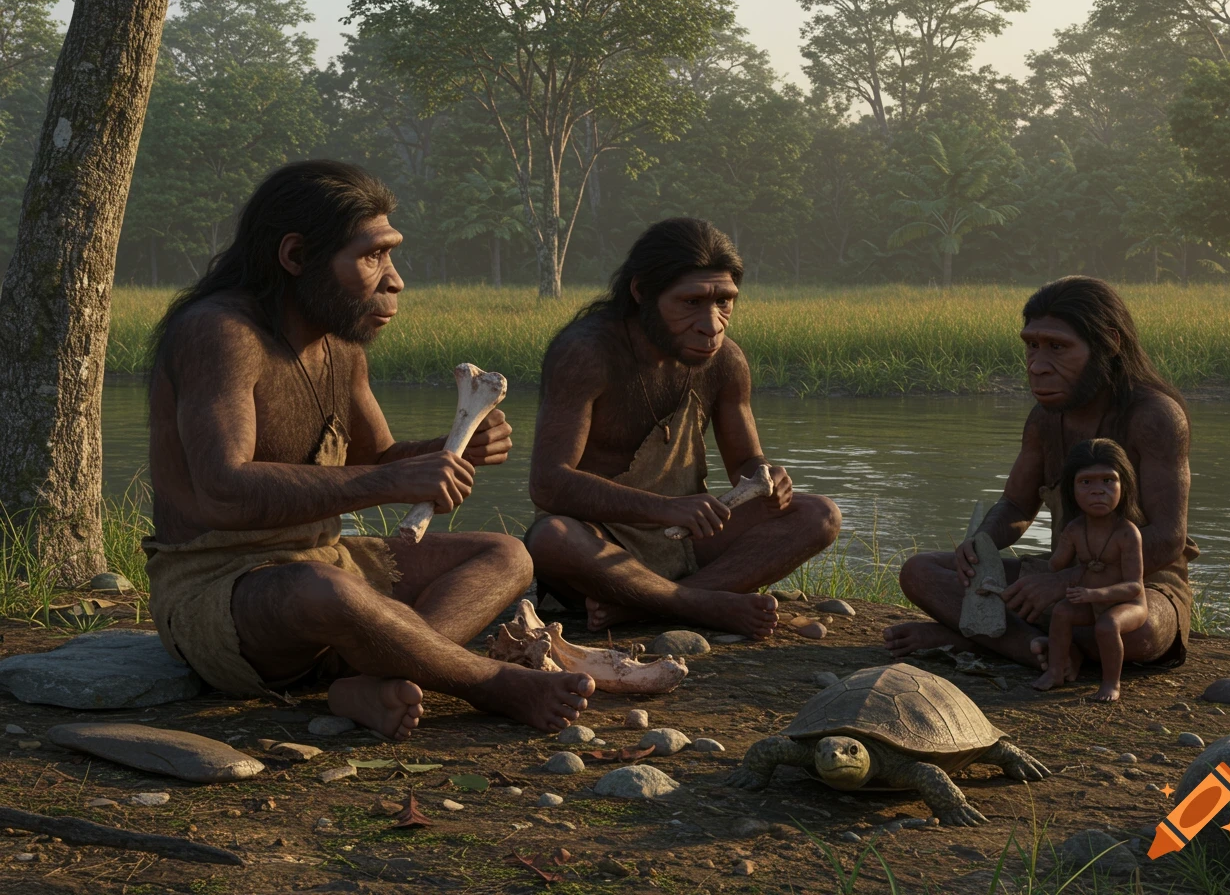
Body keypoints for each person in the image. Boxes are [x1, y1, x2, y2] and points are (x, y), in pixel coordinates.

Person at [145, 160, 593, 739]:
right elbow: (223, 488)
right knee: (323, 590)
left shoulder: (341, 344)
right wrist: (396, 479)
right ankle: (489, 683)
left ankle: (370, 678)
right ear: (296, 257)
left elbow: (378, 457)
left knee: (507, 555)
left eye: (391, 253)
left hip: (327, 562)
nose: (395, 279)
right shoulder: (219, 332)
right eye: (373, 255)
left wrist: (451, 449)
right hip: (218, 588)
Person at [524, 218, 842, 638]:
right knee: (550, 537)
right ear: (642, 293)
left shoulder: (726, 361)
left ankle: (649, 607)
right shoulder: (587, 352)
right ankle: (695, 603)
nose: (712, 325)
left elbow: (746, 463)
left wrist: (767, 478)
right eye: (691, 303)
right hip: (600, 540)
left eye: (724, 302)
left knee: (817, 514)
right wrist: (663, 508)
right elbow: (549, 484)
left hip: (689, 537)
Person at [885, 275, 1197, 674]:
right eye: (1031, 345)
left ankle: (977, 636)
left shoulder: (1153, 416)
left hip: (1143, 583)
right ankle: (1038, 647)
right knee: (921, 572)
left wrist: (1067, 581)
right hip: (1058, 574)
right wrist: (981, 543)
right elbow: (1016, 505)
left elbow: (1168, 537)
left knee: (1138, 632)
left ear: (1111, 343)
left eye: (1057, 347)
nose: (1037, 366)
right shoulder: (1044, 420)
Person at [1033, 439, 1146, 702]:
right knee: (1061, 612)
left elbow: (1134, 587)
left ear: (1124, 486)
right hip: (1088, 599)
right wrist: (1061, 552)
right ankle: (1055, 671)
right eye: (1086, 482)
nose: (1098, 491)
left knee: (1108, 625)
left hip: (1126, 604)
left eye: (1108, 481)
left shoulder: (1127, 532)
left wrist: (1094, 595)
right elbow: (1055, 566)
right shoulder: (1074, 528)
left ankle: (1111, 684)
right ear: (1071, 490)